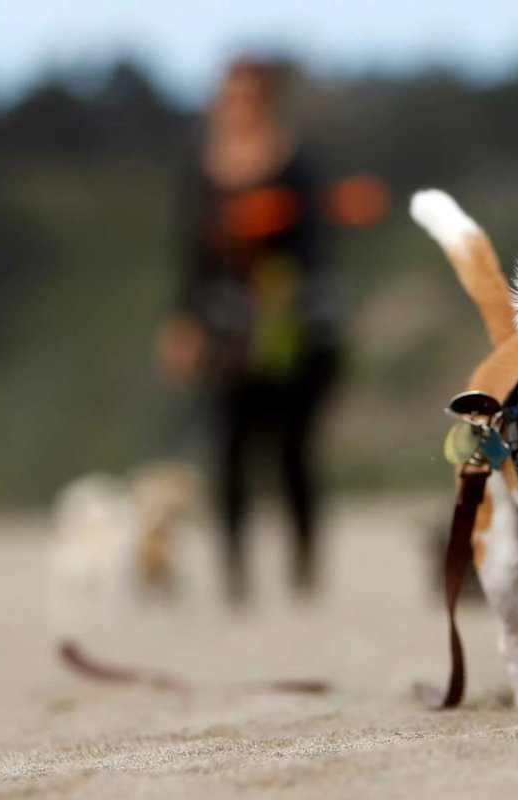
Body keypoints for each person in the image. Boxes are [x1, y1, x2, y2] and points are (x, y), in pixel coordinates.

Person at [156, 58, 340, 605]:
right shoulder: (202, 167)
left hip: (294, 325)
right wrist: (182, 321)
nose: (237, 105)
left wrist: (278, 269)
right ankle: (235, 577)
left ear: (267, 101)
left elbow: (318, 246)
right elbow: (190, 253)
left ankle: (304, 568)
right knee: (228, 448)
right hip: (223, 326)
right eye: (229, 95)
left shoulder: (296, 164)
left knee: (292, 449)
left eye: (248, 96)